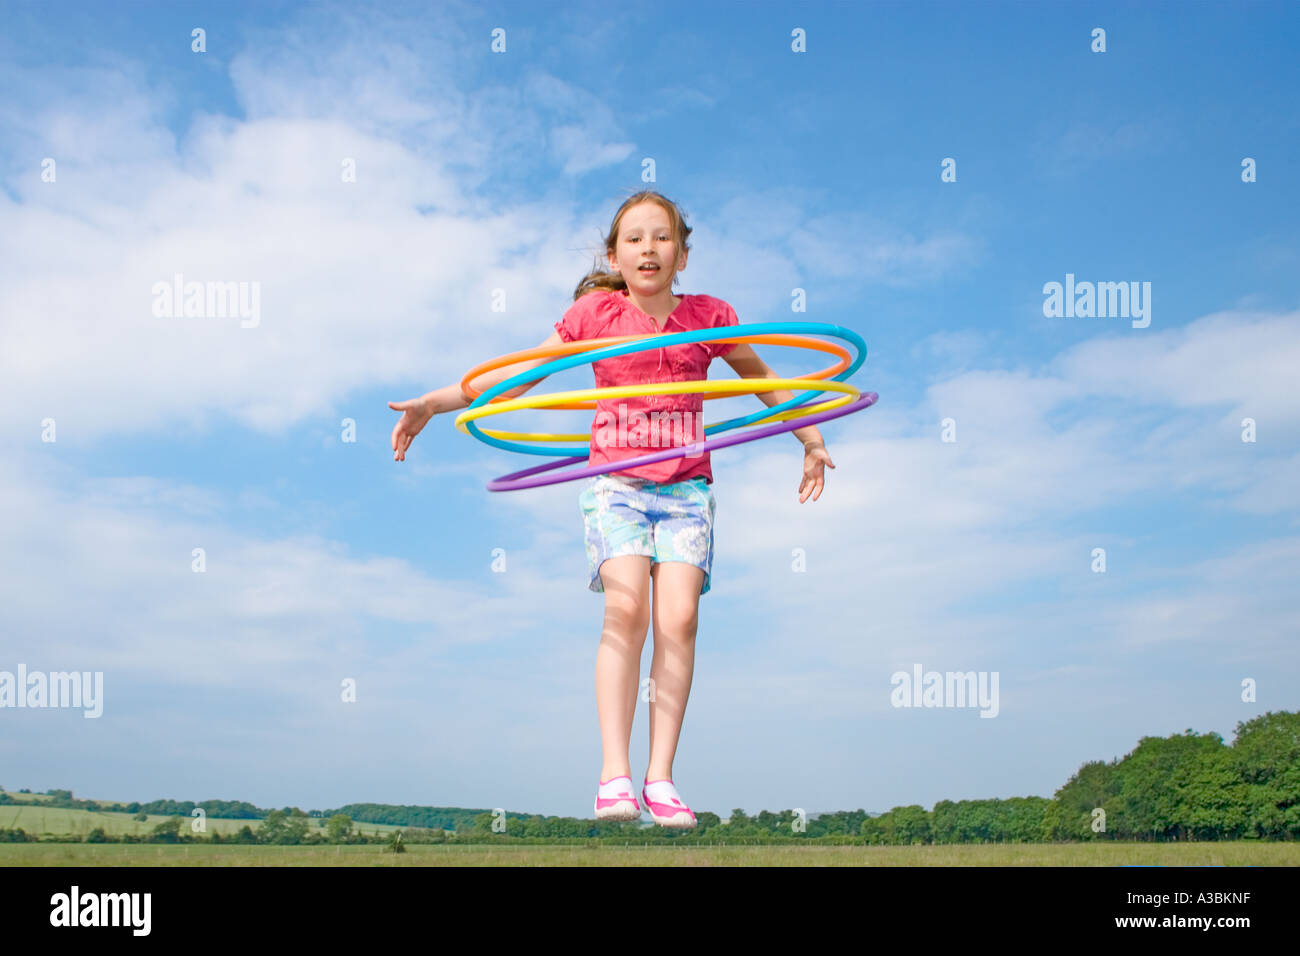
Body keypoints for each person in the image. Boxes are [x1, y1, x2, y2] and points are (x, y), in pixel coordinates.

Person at [388, 190, 836, 828]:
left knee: (677, 620)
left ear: (682, 254)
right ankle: (613, 776)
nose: (648, 248)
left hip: (686, 489)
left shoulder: (712, 316)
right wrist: (435, 401)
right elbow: (517, 377)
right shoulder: (593, 313)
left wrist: (811, 438)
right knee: (626, 607)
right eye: (634, 238)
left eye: (662, 237)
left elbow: (765, 382)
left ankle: (661, 778)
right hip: (617, 483)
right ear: (614, 254)